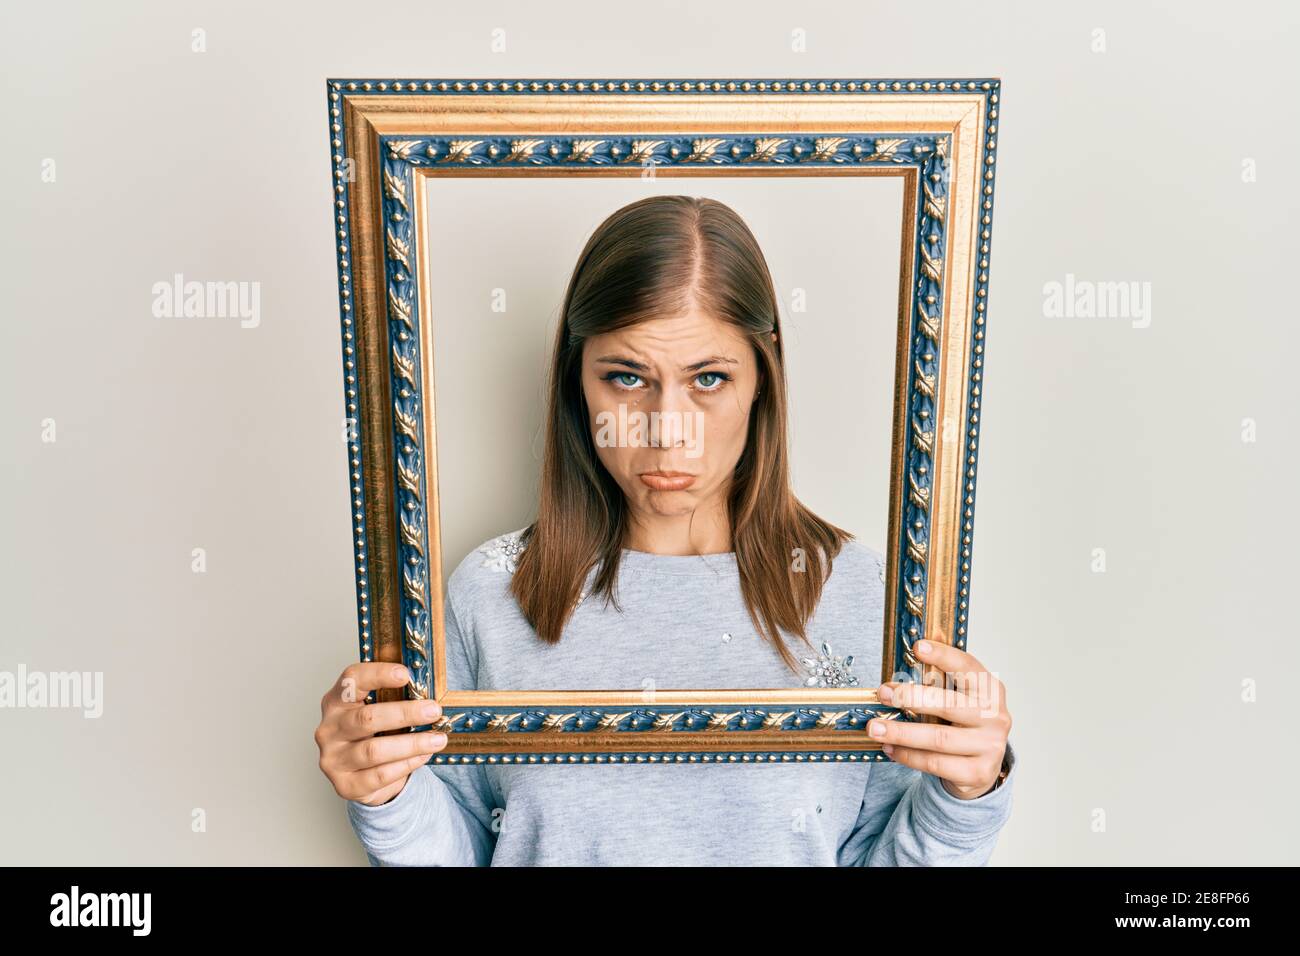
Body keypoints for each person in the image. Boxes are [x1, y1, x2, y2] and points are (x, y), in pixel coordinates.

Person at [315, 194, 1016, 865]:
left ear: (763, 376)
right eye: (625, 377)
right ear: (575, 379)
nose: (666, 431)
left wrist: (966, 793)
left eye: (708, 379)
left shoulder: (863, 593)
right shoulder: (491, 594)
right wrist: (387, 791)